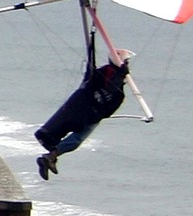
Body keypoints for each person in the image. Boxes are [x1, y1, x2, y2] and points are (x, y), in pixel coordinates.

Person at [34, 32, 129, 181]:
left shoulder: (101, 73)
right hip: (89, 113)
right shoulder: (110, 77)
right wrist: (121, 74)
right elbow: (111, 91)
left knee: (65, 130)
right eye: (126, 62)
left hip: (80, 108)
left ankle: (51, 157)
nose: (128, 65)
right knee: (77, 139)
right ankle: (50, 156)